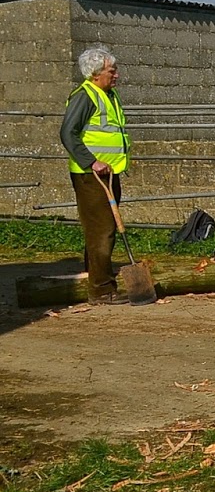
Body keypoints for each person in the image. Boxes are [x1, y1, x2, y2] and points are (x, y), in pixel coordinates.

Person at [59, 44, 130, 303]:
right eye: (112, 71)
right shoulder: (85, 96)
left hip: (109, 172)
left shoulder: (108, 95)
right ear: (95, 73)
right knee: (102, 229)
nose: (117, 75)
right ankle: (101, 289)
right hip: (91, 175)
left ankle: (95, 277)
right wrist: (91, 162)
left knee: (104, 227)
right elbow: (68, 133)